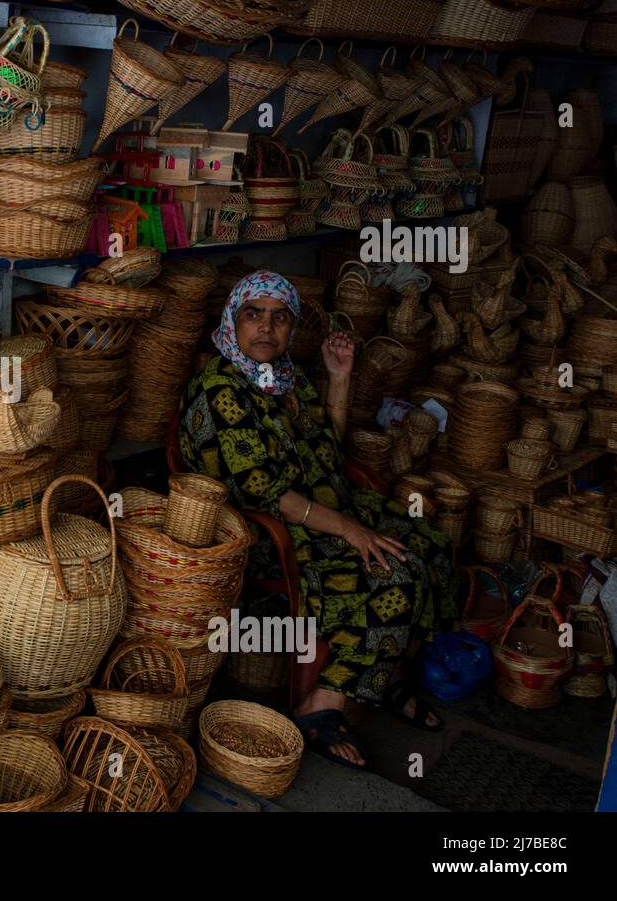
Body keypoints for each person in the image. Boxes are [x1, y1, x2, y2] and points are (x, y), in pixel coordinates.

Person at [177, 270, 457, 770]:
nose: (266, 327)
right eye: (253, 314)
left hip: (323, 509)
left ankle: (384, 673)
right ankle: (321, 705)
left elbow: (326, 445)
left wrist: (340, 376)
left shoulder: (285, 377)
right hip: (268, 530)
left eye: (279, 317)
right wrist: (351, 530)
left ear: (291, 328)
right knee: (395, 572)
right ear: (232, 321)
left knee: (433, 544)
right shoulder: (220, 390)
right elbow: (263, 491)